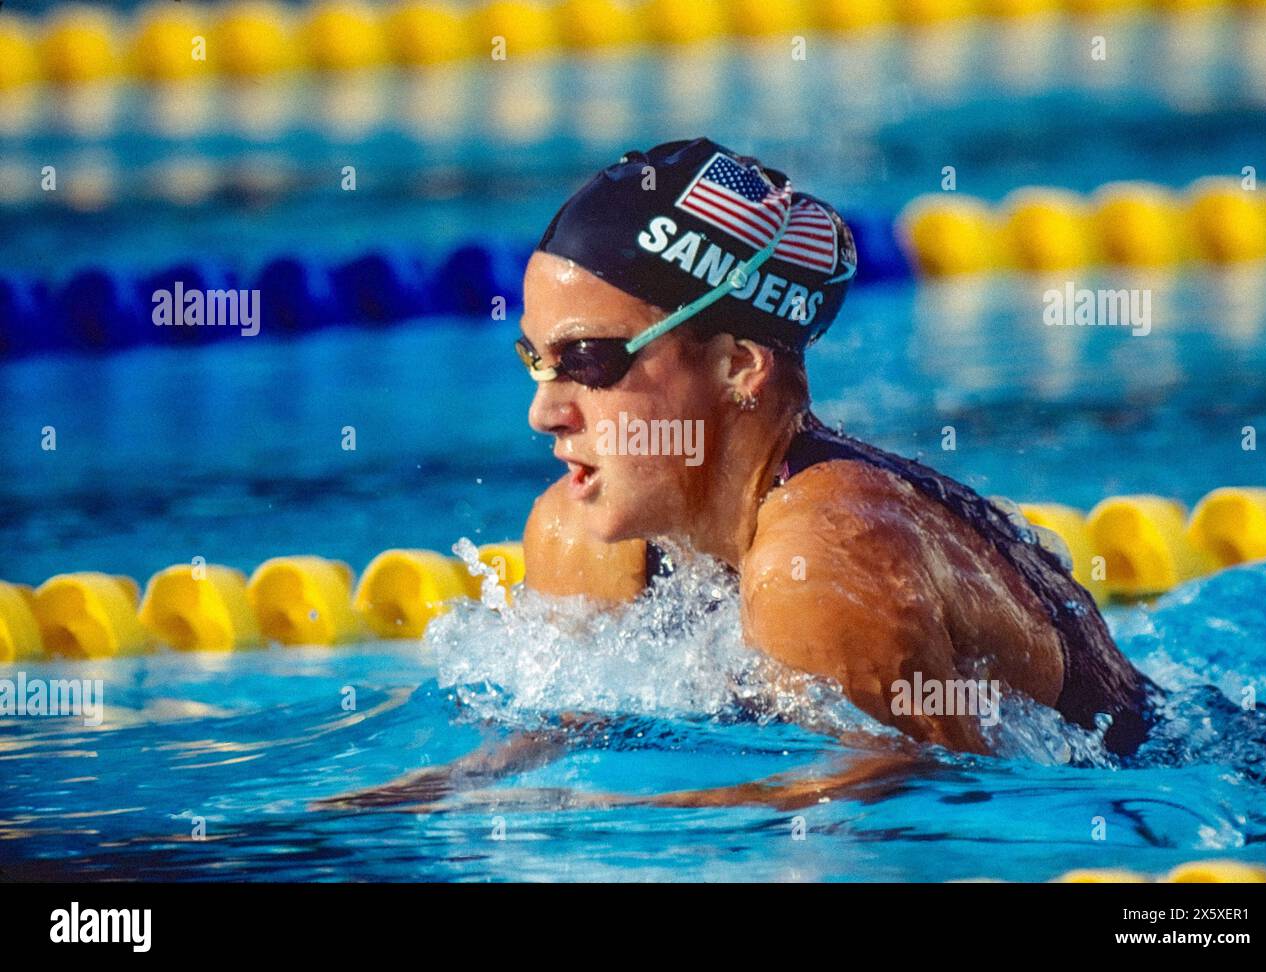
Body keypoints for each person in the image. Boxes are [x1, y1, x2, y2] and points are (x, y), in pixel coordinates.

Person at [317, 138, 1157, 813]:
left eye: (589, 360)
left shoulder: (830, 560)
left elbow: (919, 808)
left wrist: (588, 813)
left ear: (739, 367)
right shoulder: (578, 534)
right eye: (535, 361)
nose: (545, 411)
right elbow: (567, 734)